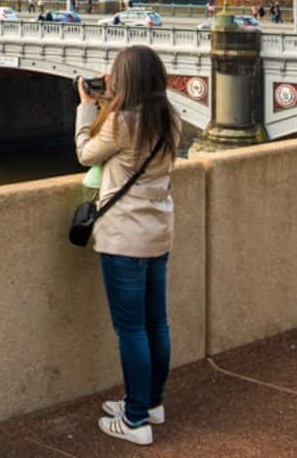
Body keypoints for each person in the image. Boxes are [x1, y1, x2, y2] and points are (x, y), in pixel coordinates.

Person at [76, 45, 185, 446]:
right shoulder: (170, 118)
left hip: (124, 236)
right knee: (157, 322)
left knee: (131, 330)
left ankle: (135, 420)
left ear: (126, 81)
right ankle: (151, 402)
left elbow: (85, 154)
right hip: (158, 231)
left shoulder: (120, 123)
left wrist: (89, 106)